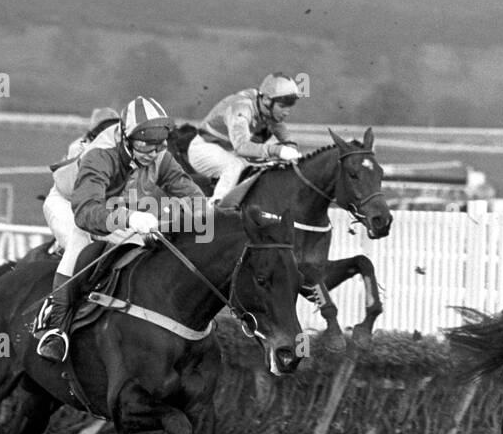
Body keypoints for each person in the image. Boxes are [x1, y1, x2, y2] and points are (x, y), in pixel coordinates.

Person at [34, 96, 207, 363]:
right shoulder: (101, 155)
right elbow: (86, 214)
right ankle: (54, 324)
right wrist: (131, 218)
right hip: (70, 205)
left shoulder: (159, 156)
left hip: (113, 210)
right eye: (145, 147)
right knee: (82, 242)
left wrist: (165, 216)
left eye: (158, 146)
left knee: (146, 248)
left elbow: (196, 200)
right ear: (127, 138)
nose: (152, 154)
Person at [187, 72, 302, 201]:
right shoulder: (241, 108)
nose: (286, 112)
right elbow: (242, 147)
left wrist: (291, 146)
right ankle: (216, 206)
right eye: (282, 106)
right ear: (267, 101)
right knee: (235, 165)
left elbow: (278, 126)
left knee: (267, 164)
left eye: (289, 107)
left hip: (228, 149)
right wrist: (278, 150)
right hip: (204, 149)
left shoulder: (264, 105)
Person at [42, 106, 121, 255]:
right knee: (80, 249)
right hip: (68, 203)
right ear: (95, 132)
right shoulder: (79, 147)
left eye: (113, 127)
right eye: (105, 128)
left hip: (93, 205)